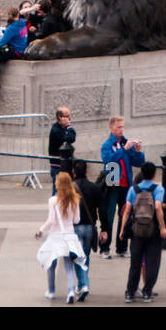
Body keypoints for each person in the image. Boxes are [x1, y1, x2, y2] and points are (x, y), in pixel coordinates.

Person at [119, 160, 166, 301]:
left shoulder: (133, 190)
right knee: (152, 262)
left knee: (135, 262)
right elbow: (158, 207)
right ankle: (147, 291)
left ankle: (130, 292)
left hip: (136, 230)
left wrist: (122, 229)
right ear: (154, 174)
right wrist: (163, 227)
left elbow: (127, 211)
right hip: (152, 230)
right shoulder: (158, 189)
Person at [35, 170, 87, 304]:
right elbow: (76, 220)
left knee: (50, 263)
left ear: (59, 184)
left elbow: (51, 220)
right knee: (69, 265)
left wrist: (41, 230)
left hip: (55, 236)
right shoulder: (75, 200)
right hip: (69, 235)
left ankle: (51, 291)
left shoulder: (52, 200)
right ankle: (70, 291)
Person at [100, 115, 145, 258]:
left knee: (125, 216)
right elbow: (109, 160)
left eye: (122, 127)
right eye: (118, 127)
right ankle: (104, 248)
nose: (121, 130)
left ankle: (122, 248)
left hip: (126, 185)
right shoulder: (107, 145)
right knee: (108, 216)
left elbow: (138, 163)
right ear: (111, 128)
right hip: (112, 184)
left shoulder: (126, 143)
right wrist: (124, 149)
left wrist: (138, 151)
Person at [72, 160, 108, 299]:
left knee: (76, 257)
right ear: (87, 171)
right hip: (89, 227)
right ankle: (83, 283)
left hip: (74, 228)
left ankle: (83, 284)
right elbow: (103, 209)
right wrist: (105, 229)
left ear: (73, 172)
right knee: (85, 256)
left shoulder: (70, 188)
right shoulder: (94, 188)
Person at [48, 106, 76, 186]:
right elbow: (71, 138)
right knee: (58, 192)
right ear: (60, 117)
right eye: (67, 116)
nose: (69, 118)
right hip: (58, 166)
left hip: (66, 164)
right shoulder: (56, 130)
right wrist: (69, 126)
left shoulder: (63, 128)